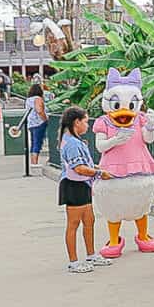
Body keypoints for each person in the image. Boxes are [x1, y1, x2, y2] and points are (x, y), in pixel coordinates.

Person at [58, 106, 102, 272]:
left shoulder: (73, 140)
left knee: (89, 220)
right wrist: (99, 172)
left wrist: (95, 169)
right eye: (85, 121)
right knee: (74, 224)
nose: (87, 125)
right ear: (77, 122)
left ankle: (91, 255)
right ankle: (74, 262)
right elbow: (79, 168)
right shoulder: (72, 143)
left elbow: (84, 165)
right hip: (74, 185)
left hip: (83, 184)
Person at [19, 81, 50, 175]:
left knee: (34, 143)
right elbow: (40, 110)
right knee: (38, 143)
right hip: (39, 123)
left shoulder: (28, 100)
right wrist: (45, 119)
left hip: (31, 123)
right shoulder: (38, 99)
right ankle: (34, 163)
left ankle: (33, 162)